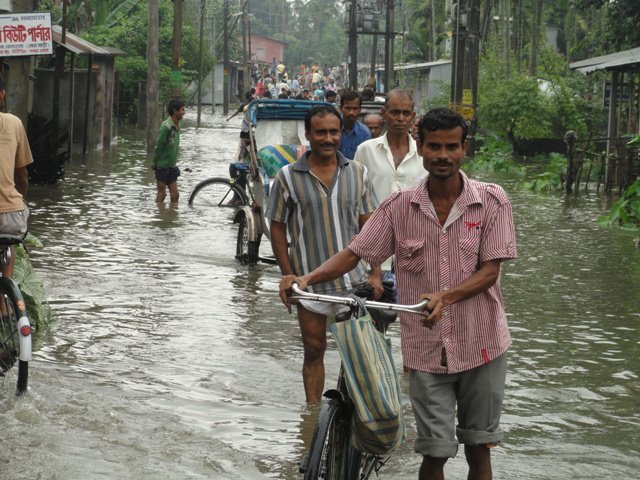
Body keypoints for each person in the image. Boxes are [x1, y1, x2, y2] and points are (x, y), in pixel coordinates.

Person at [280, 107, 517, 480]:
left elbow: (491, 270)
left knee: (479, 448)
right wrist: (305, 279)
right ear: (419, 148)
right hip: (425, 349)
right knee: (434, 452)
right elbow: (356, 252)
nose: (443, 156)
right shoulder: (398, 206)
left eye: (451, 147)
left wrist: (447, 296)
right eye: (434, 146)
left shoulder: (492, 200)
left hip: (482, 343)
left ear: (464, 148)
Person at [265, 105, 382, 405]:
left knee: (357, 358)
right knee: (313, 351)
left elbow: (371, 226)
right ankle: (313, 417)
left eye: (334, 132)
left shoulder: (359, 172)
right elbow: (277, 228)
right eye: (321, 132)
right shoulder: (287, 177)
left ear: (341, 133)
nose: (328, 138)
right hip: (309, 285)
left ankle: (352, 417)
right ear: (308, 134)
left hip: (354, 285)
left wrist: (376, 272)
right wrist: (287, 274)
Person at [354, 89, 425, 300]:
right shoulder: (365, 150)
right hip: (372, 252)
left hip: (414, 252)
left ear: (413, 116)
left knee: (415, 315)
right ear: (385, 113)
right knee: (375, 316)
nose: (401, 119)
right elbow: (357, 201)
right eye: (395, 112)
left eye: (406, 113)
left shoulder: (424, 155)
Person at [0, 76, 32, 277]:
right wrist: (19, 198)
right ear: (2, 96)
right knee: (6, 244)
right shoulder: (14, 123)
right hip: (13, 218)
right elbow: (23, 177)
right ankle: (5, 298)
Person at [153, 99, 185, 204]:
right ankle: (158, 216)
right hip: (162, 166)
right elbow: (159, 146)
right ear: (175, 111)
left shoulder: (177, 125)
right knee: (162, 194)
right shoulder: (166, 127)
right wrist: (155, 163)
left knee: (175, 195)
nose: (184, 112)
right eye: (182, 110)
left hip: (172, 166)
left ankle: (172, 216)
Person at [338, 91, 370, 160]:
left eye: (355, 108)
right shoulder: (332, 129)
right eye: (347, 108)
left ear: (360, 110)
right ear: (341, 108)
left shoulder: (364, 133)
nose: (351, 112)